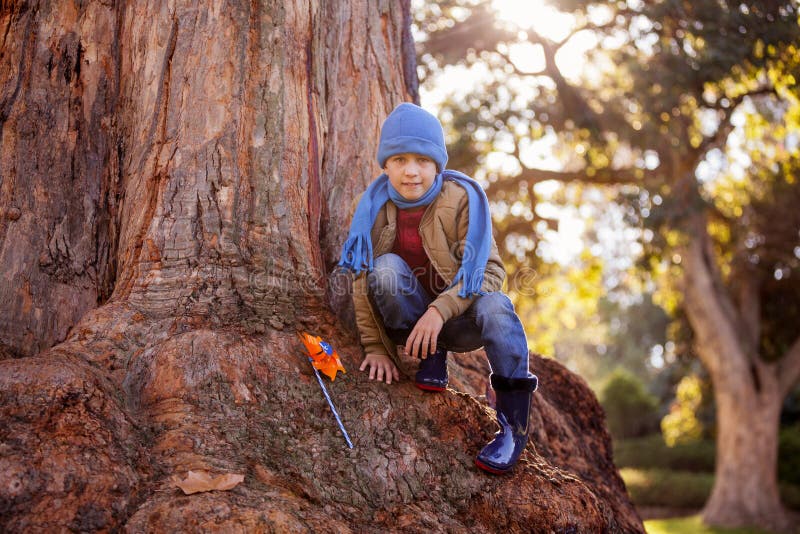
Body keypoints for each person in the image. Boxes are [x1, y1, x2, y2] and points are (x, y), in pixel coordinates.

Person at [338, 102, 539, 475]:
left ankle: (513, 428)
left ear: (437, 165)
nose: (410, 171)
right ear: (385, 165)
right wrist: (375, 348)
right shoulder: (371, 207)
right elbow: (362, 281)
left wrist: (439, 311)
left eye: (421, 160)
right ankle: (430, 356)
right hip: (408, 321)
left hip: (459, 320)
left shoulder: (463, 200)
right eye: (398, 159)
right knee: (383, 269)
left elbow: (491, 272)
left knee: (496, 305)